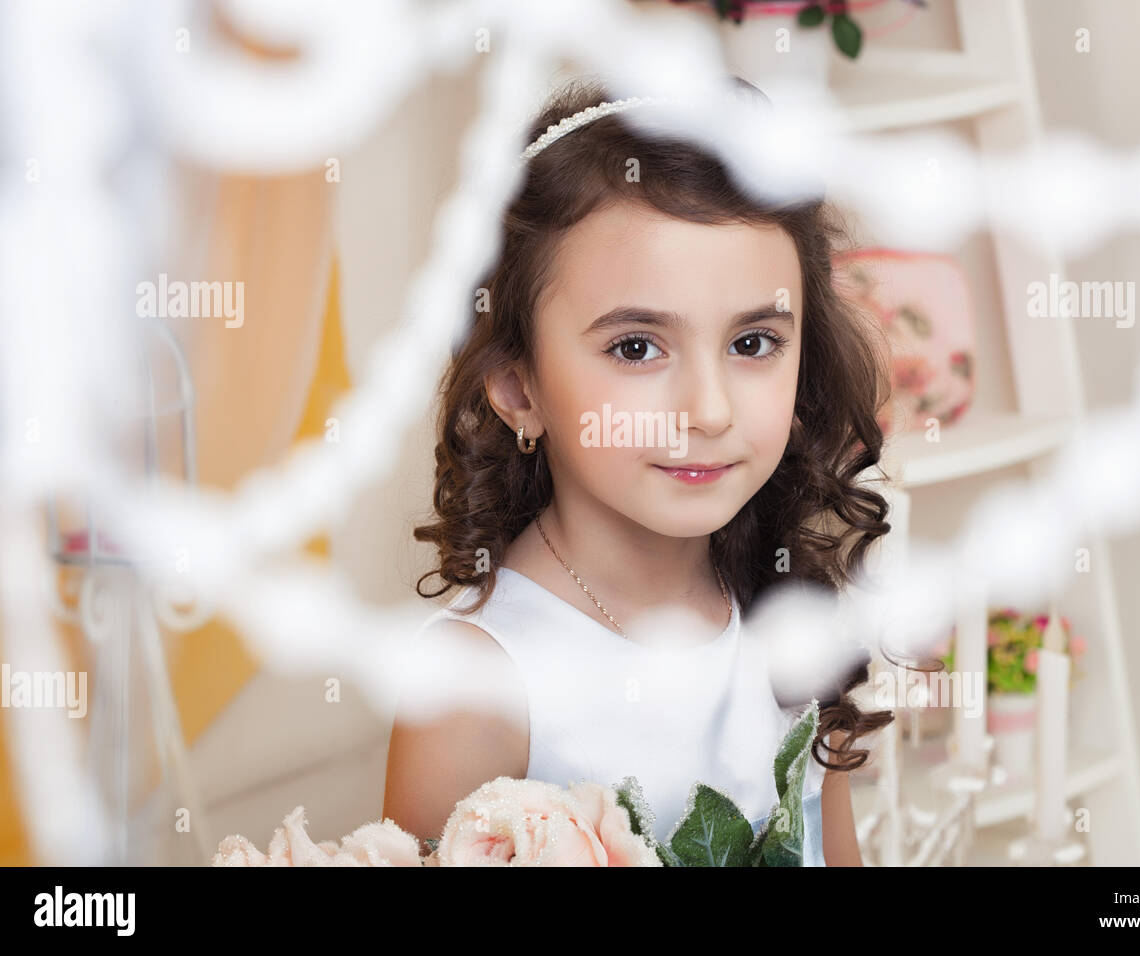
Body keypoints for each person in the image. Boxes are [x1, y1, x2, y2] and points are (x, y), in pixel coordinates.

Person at [384, 75, 896, 866]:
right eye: (636, 348)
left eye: (753, 342)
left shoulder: (784, 605)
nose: (711, 409)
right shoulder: (473, 693)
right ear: (520, 387)